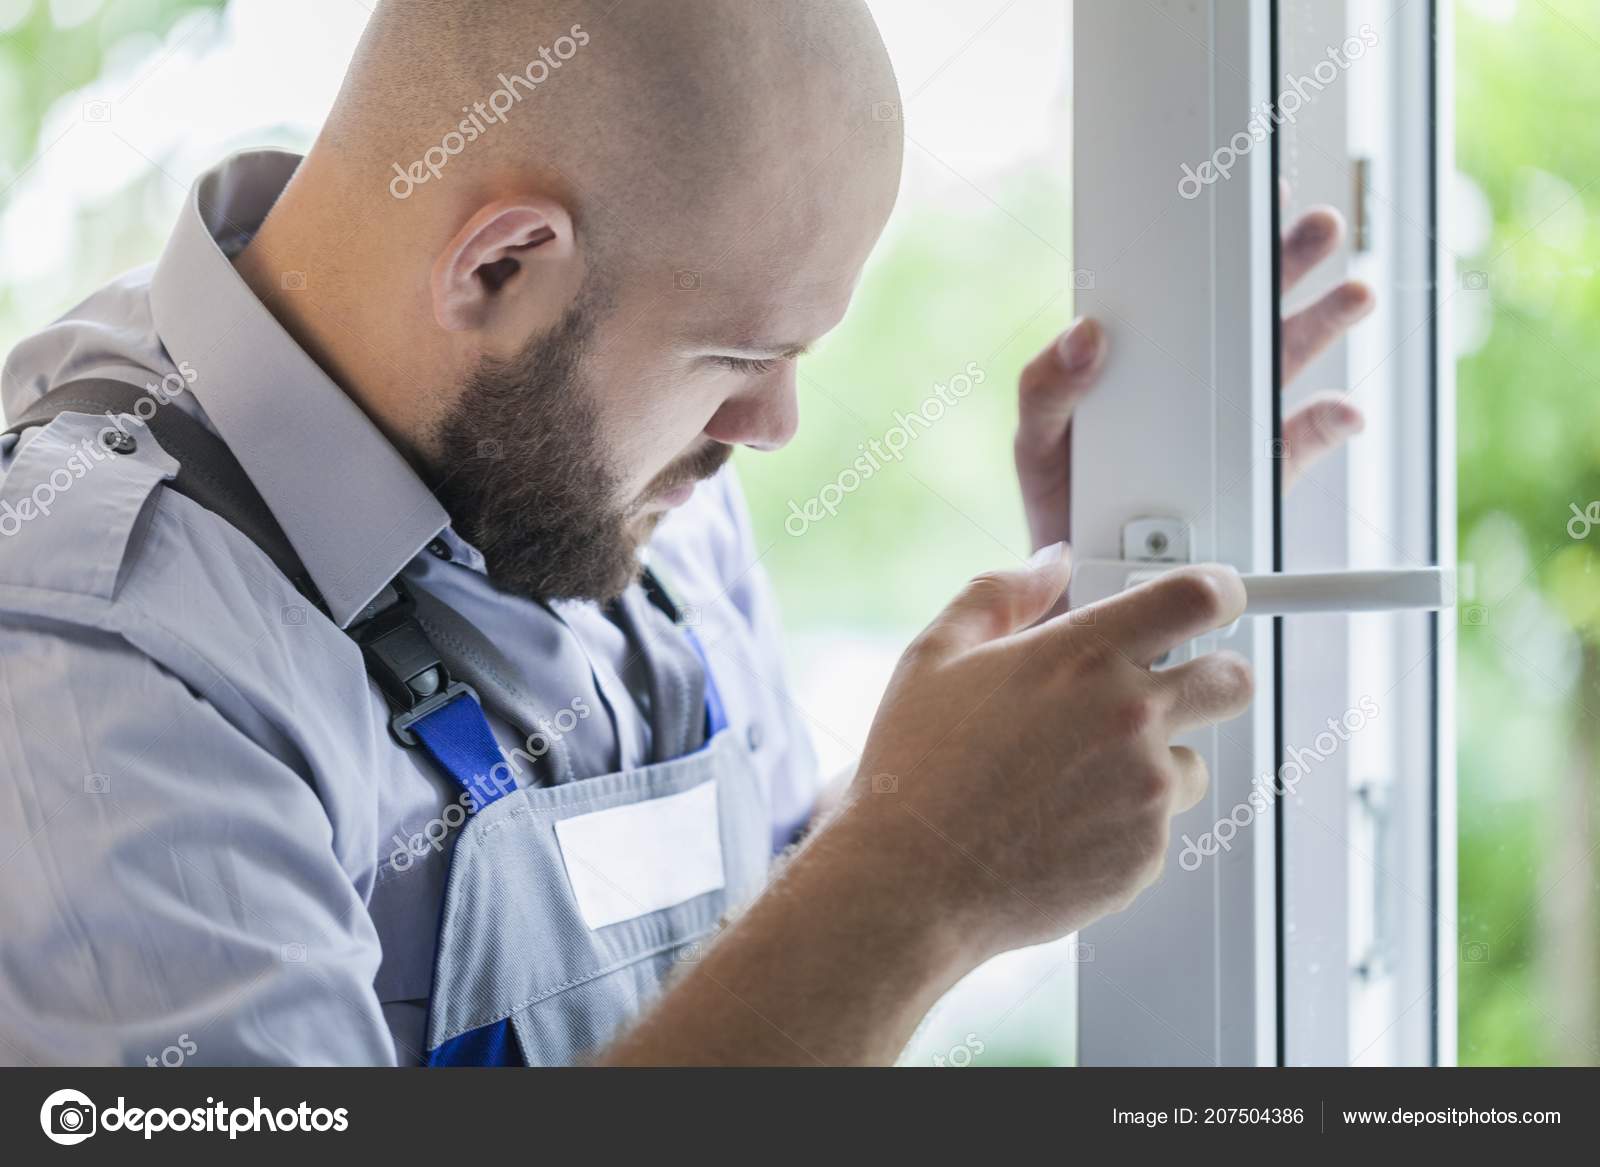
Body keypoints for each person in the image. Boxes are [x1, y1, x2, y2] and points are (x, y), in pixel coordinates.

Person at [0, 0, 1373, 1066]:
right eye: (739, 355)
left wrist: (1023, 687)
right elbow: (864, 917)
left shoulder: (584, 476)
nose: (775, 425)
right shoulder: (87, 652)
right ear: (500, 267)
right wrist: (925, 880)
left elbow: (756, 951)